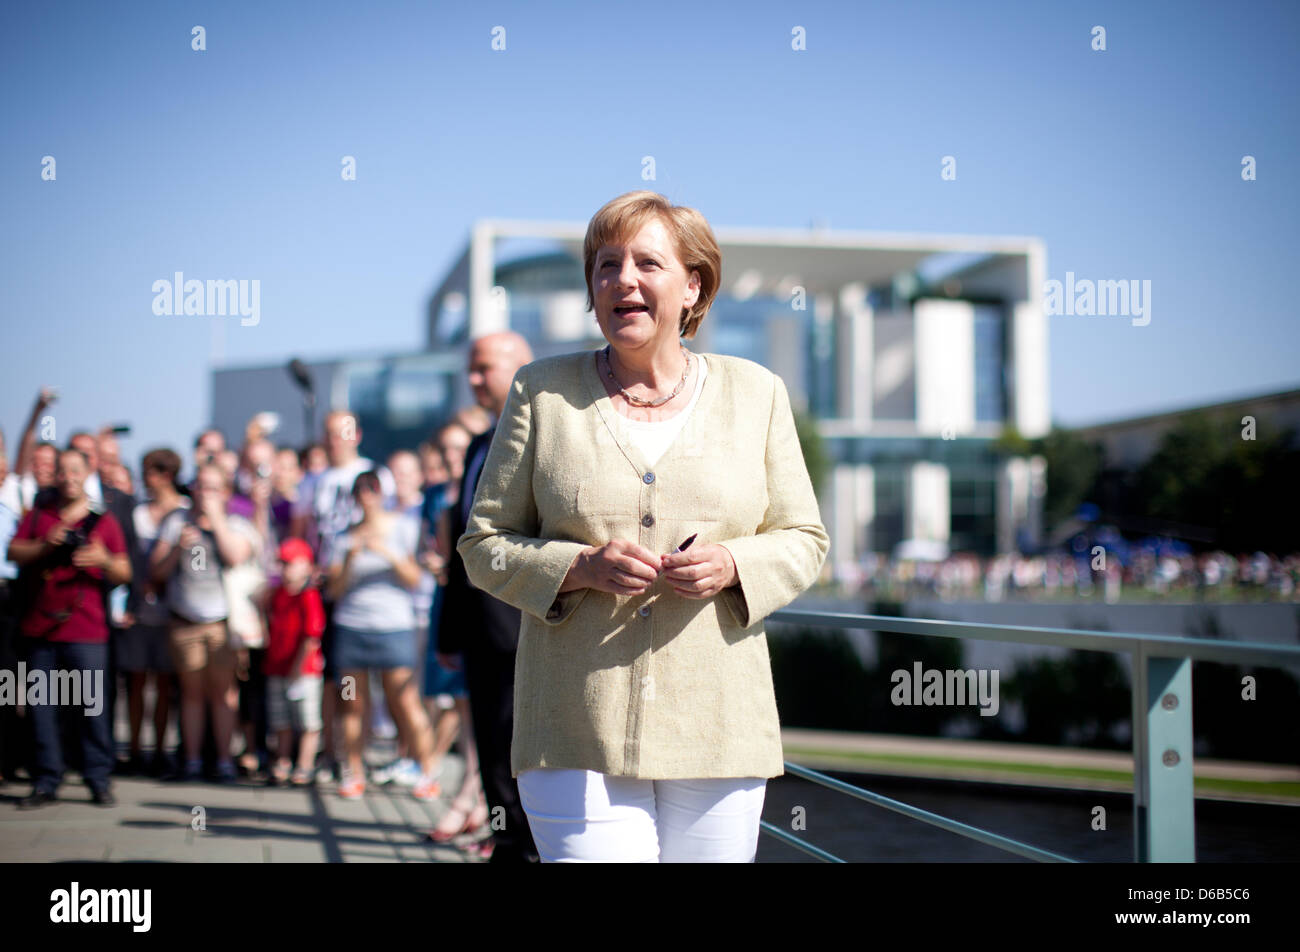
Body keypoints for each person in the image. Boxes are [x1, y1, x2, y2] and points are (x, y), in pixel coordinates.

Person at [456, 191, 829, 862]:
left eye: (646, 263)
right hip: (573, 724)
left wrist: (735, 565)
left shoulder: (757, 393)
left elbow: (804, 538)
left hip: (719, 722)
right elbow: (482, 544)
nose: (622, 279)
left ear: (692, 286)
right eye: (605, 264)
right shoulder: (540, 392)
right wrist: (578, 567)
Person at [437, 330, 539, 863]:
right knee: (491, 743)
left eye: (484, 369)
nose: (474, 380)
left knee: (521, 741)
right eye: (470, 370)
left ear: (520, 368)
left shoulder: (546, 433)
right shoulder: (478, 443)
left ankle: (530, 845)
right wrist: (448, 630)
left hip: (528, 625)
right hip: (479, 627)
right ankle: (508, 841)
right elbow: (463, 549)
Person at [7, 447, 131, 808]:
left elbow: (125, 573)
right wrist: (46, 544)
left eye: (76, 470)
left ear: (87, 472)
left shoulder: (103, 520)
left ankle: (98, 778)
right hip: (40, 630)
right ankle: (46, 780)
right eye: (63, 471)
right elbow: (13, 553)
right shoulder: (38, 516)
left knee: (92, 709)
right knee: (42, 708)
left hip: (87, 630)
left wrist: (103, 559)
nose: (69, 477)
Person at [325, 470, 438, 800]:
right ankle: (353, 773)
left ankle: (428, 771)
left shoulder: (402, 527)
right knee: (352, 705)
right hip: (352, 628)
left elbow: (415, 578)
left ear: (382, 492)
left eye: (372, 488)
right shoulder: (343, 536)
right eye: (360, 489)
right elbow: (334, 589)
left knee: (404, 702)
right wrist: (348, 559)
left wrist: (387, 553)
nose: (366, 495)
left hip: (394, 628)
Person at [150, 462, 259, 782]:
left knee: (224, 693)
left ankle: (225, 760)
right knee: (191, 694)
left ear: (225, 492)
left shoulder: (236, 524)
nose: (204, 493)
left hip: (223, 624)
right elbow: (156, 571)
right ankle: (193, 760)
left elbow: (235, 556)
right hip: (184, 622)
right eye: (200, 486)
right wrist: (177, 548)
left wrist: (217, 520)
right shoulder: (176, 522)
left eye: (212, 487)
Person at [119, 448, 188, 776]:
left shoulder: (185, 512)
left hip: (173, 612)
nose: (144, 478)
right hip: (138, 612)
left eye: (148, 472)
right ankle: (134, 750)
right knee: (136, 682)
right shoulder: (137, 512)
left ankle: (160, 750)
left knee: (164, 684)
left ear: (164, 475)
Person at [264, 538, 325, 786]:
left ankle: (305, 764)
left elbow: (312, 636)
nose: (285, 569)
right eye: (283, 564)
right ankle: (283, 760)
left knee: (308, 721)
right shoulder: (277, 594)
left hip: (303, 671)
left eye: (290, 563)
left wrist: (298, 668)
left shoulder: (309, 596)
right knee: (281, 720)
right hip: (277, 667)